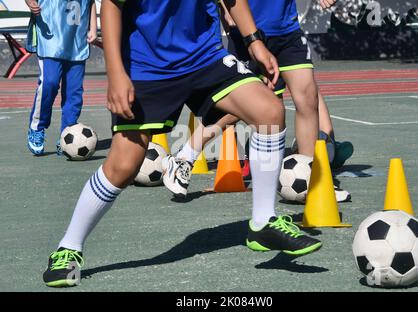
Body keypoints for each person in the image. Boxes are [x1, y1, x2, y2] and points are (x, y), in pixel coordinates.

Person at [42, 0, 322, 287]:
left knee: (269, 112)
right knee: (123, 166)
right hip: (146, 68)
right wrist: (115, 74)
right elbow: (112, 7)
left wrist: (254, 42)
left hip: (204, 57)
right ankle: (69, 247)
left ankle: (263, 222)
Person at [162, 0, 353, 199]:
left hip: (287, 29)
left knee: (308, 96)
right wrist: (225, 8)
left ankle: (310, 179)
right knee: (237, 110)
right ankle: (184, 158)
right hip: (248, 32)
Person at [25, 0, 97, 155]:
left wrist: (93, 27)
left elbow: (91, 3)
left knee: (74, 91)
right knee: (49, 83)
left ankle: (67, 133)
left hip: (77, 41)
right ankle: (37, 127)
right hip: (50, 39)